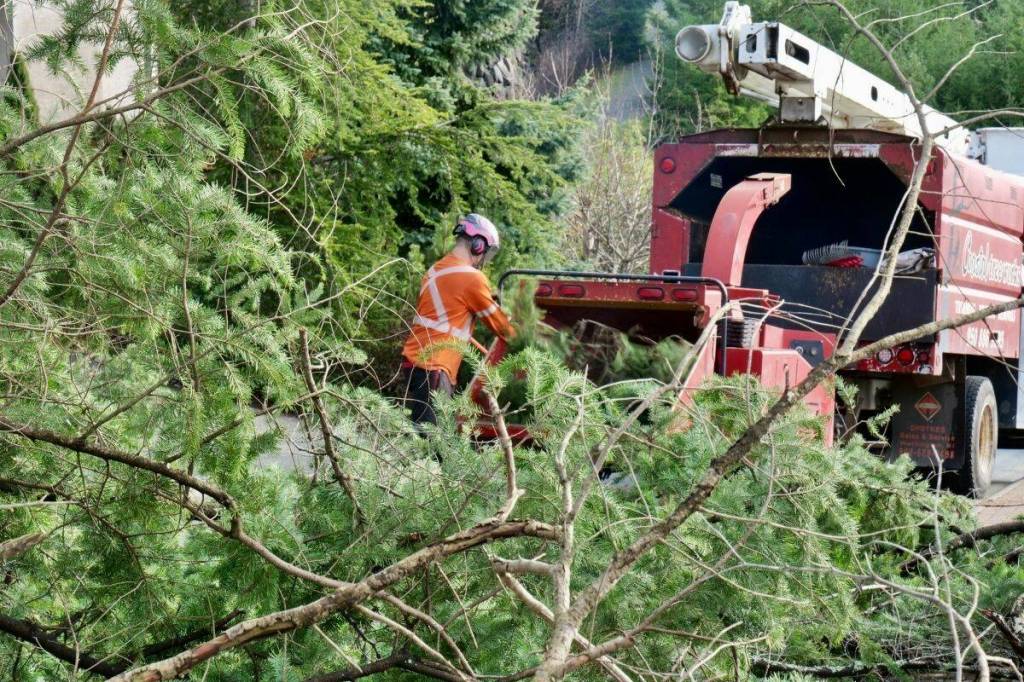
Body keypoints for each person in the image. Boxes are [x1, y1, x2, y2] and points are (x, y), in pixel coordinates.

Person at [401, 214, 514, 428]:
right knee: (434, 442)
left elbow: (448, 315)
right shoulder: (471, 277)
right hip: (434, 365)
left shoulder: (435, 270)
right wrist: (524, 337)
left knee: (427, 433)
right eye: (485, 253)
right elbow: (503, 329)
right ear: (478, 245)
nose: (482, 260)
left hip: (417, 362)